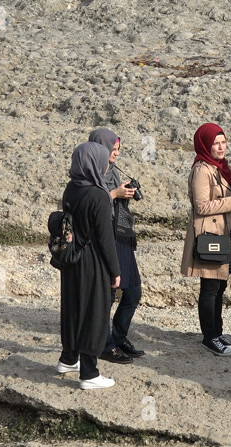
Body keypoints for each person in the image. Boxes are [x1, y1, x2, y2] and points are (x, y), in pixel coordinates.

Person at [56, 141, 121, 390]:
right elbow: (105, 239)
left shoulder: (71, 188)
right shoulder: (99, 195)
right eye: (103, 160)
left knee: (72, 309)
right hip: (92, 262)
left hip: (71, 260)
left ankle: (68, 359)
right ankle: (90, 373)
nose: (106, 164)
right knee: (94, 313)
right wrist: (115, 271)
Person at [180, 123, 231, 356]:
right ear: (205, 146)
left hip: (223, 233)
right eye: (215, 143)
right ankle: (209, 337)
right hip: (210, 235)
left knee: (220, 286)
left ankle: (217, 333)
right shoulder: (202, 169)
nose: (221, 147)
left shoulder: (220, 167)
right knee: (210, 287)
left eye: (223, 142)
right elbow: (201, 205)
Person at [88, 128, 144, 363]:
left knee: (133, 291)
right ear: (100, 148)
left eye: (119, 149)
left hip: (121, 236)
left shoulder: (113, 171)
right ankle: (104, 345)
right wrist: (114, 193)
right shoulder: (89, 173)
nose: (117, 153)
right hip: (104, 239)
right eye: (113, 149)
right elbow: (91, 204)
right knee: (108, 295)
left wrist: (127, 191)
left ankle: (118, 337)